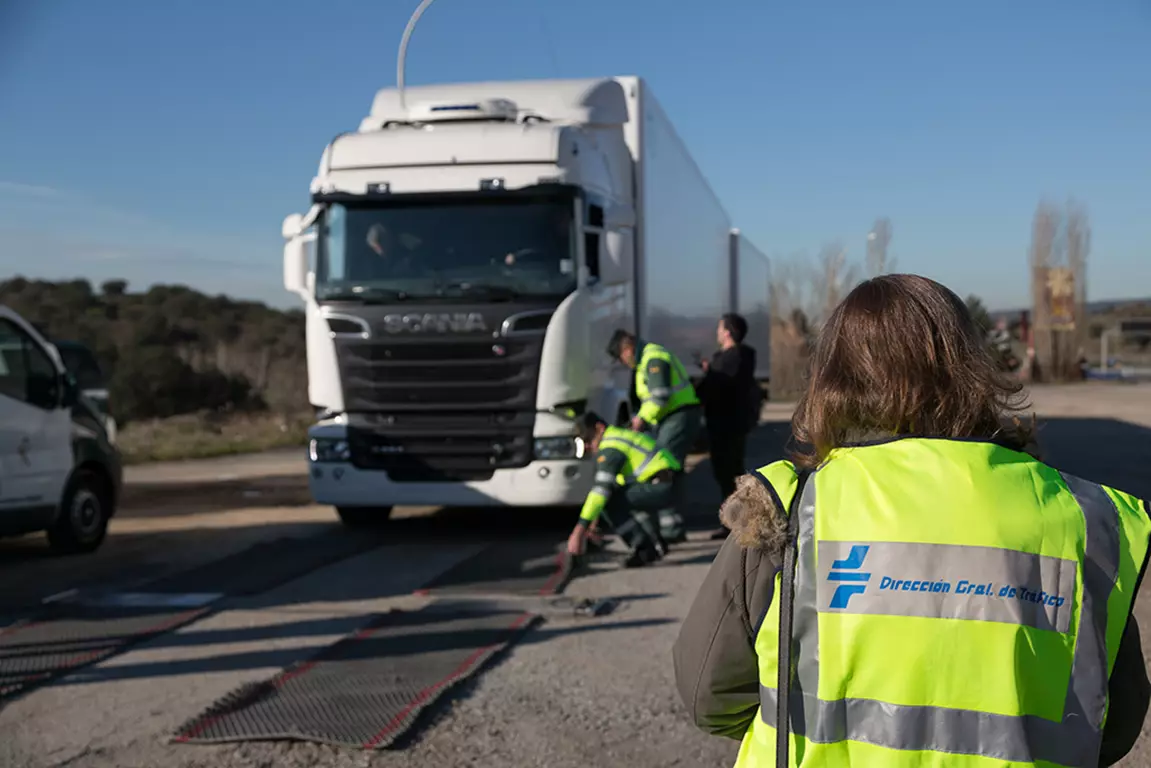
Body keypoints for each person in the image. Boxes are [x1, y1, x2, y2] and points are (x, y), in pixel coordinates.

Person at [672, 274, 1150, 767]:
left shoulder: (791, 506)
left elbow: (709, 693)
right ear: (971, 365)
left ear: (832, 377)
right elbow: (1114, 721)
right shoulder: (1084, 518)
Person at [607, 329, 701, 544]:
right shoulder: (646, 361)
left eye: (621, 357)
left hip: (678, 416)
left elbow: (660, 396)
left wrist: (640, 420)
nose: (623, 362)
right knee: (668, 469)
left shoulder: (653, 357)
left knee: (661, 469)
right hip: (674, 417)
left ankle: (670, 528)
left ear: (628, 348)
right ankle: (671, 525)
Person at [566, 412, 680, 568]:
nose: (587, 446)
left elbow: (601, 491)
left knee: (611, 503)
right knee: (620, 497)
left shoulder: (611, 448)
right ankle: (655, 542)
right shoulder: (619, 437)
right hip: (667, 481)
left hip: (661, 485)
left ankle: (643, 548)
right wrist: (595, 521)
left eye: (588, 439)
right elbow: (615, 485)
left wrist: (579, 529)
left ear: (599, 428)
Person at [696, 313, 760, 524]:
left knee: (727, 473)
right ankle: (734, 520)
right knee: (729, 471)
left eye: (720, 328)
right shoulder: (736, 358)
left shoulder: (730, 360)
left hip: (726, 424)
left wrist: (707, 379)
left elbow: (718, 388)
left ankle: (735, 522)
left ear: (728, 332)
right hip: (731, 423)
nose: (717, 332)